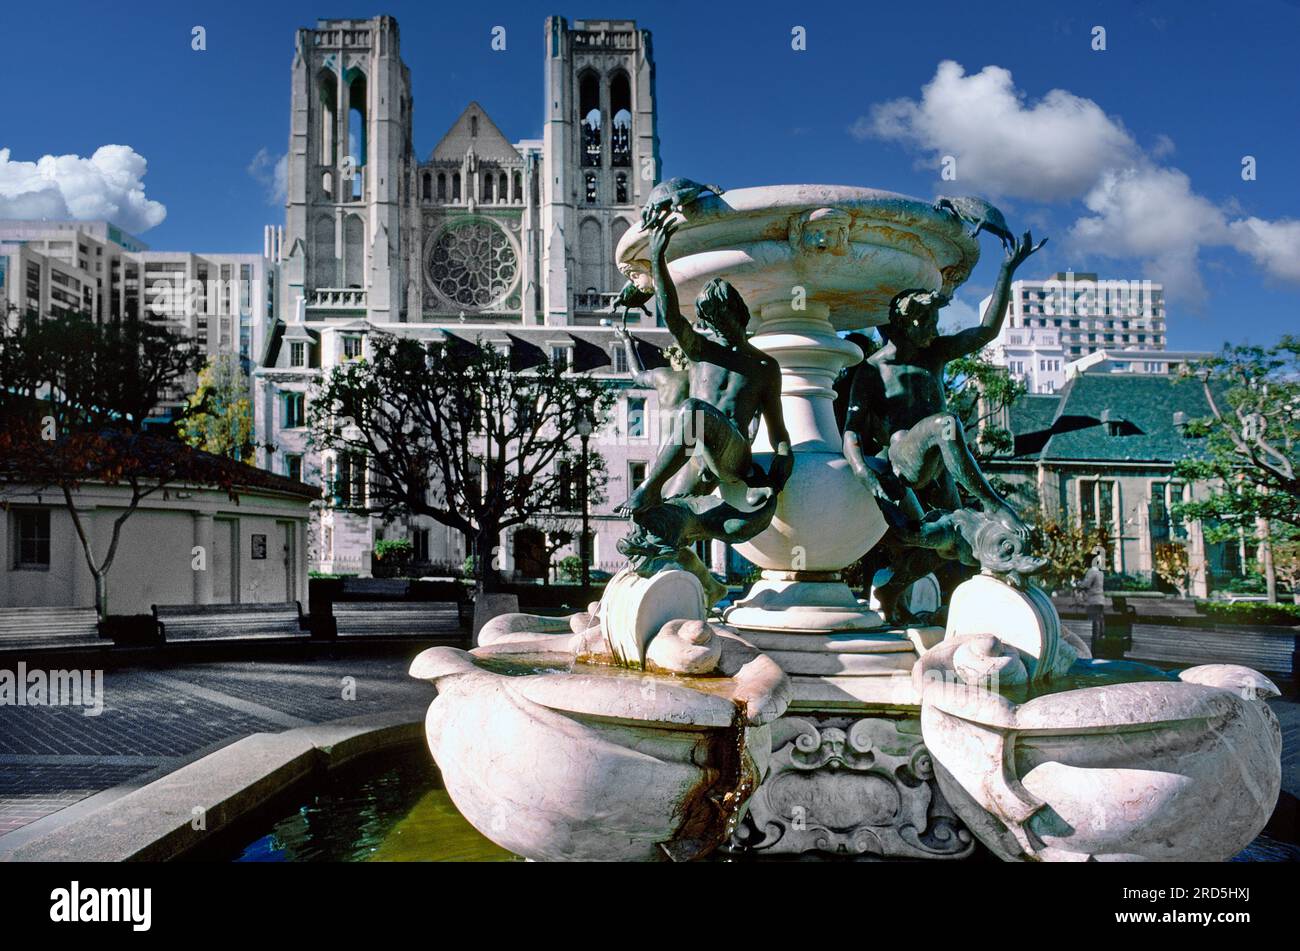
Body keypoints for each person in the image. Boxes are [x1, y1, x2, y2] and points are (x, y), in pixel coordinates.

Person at [616, 212, 792, 516]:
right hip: (695, 452)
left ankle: (648, 487)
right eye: (711, 321)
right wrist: (658, 258)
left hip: (732, 455)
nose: (718, 327)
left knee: (694, 409)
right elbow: (672, 317)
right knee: (654, 520)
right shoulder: (700, 349)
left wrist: (783, 459)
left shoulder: (764, 366)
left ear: (739, 315)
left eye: (724, 320)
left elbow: (778, 429)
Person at [1077, 552, 1107, 653]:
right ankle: (1100, 646)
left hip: (1093, 601)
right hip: (1100, 600)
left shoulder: (1091, 572)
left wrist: (1078, 584)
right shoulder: (1100, 572)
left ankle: (1094, 648)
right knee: (1099, 623)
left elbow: (1086, 584)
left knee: (1093, 625)